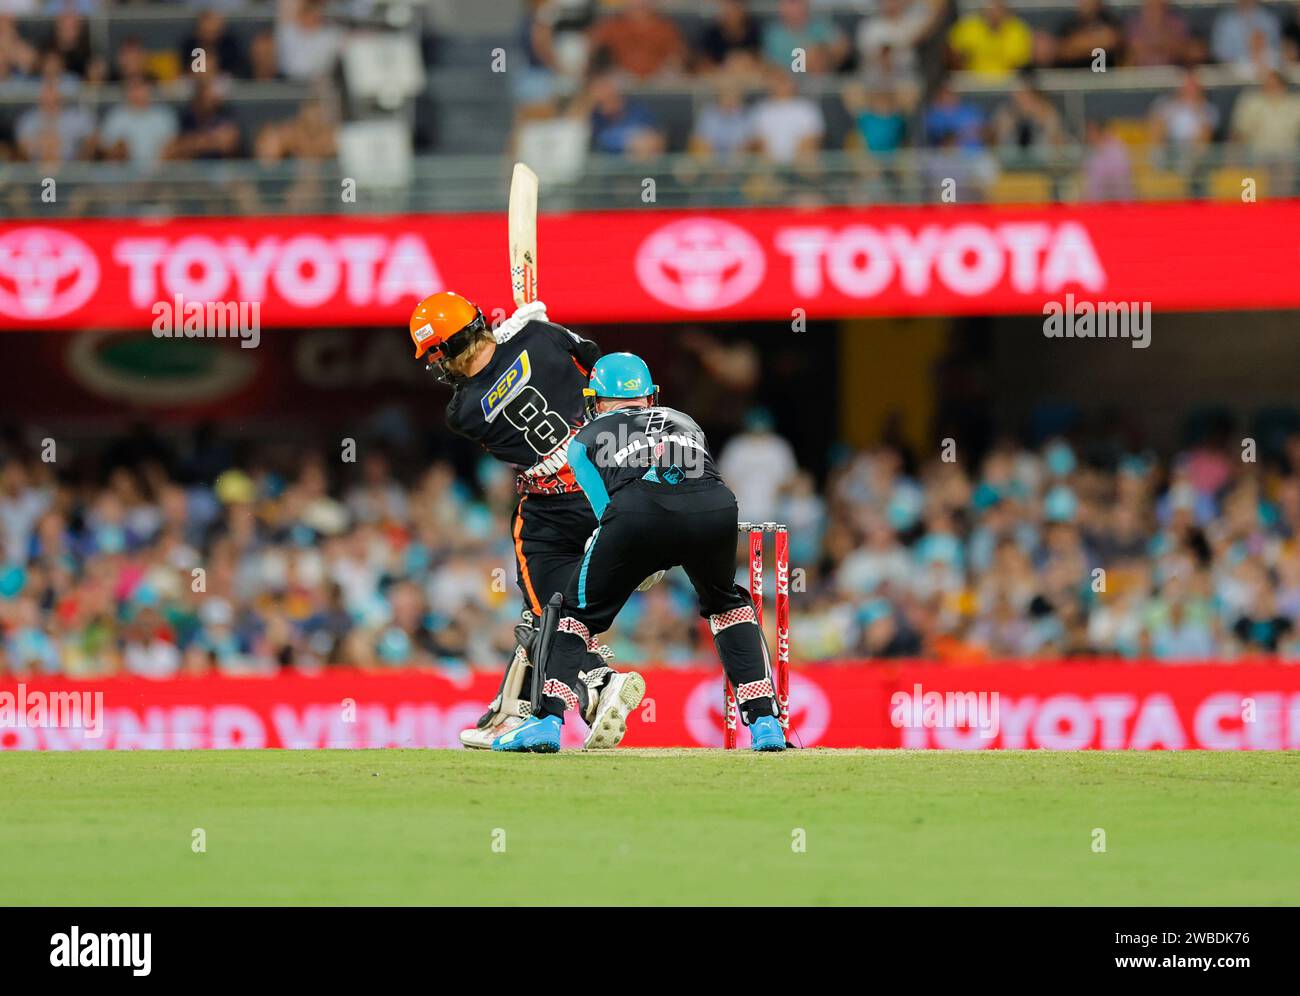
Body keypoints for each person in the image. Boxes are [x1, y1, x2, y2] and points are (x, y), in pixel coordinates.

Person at [493, 353, 786, 753]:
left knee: (573, 613)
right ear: (650, 396)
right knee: (726, 604)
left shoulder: (582, 440)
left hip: (637, 513)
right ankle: (766, 722)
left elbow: (606, 515)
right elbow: (691, 476)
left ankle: (546, 722)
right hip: (715, 507)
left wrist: (637, 560)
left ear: (596, 400)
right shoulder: (686, 420)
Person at [406, 292, 643, 750]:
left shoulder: (463, 413)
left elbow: (491, 383)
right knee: (562, 612)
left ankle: (594, 680)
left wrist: (517, 334)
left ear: (448, 349)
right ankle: (566, 693)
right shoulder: (539, 336)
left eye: (436, 353)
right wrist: (538, 330)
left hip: (549, 509)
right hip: (611, 488)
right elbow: (601, 366)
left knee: (542, 613)